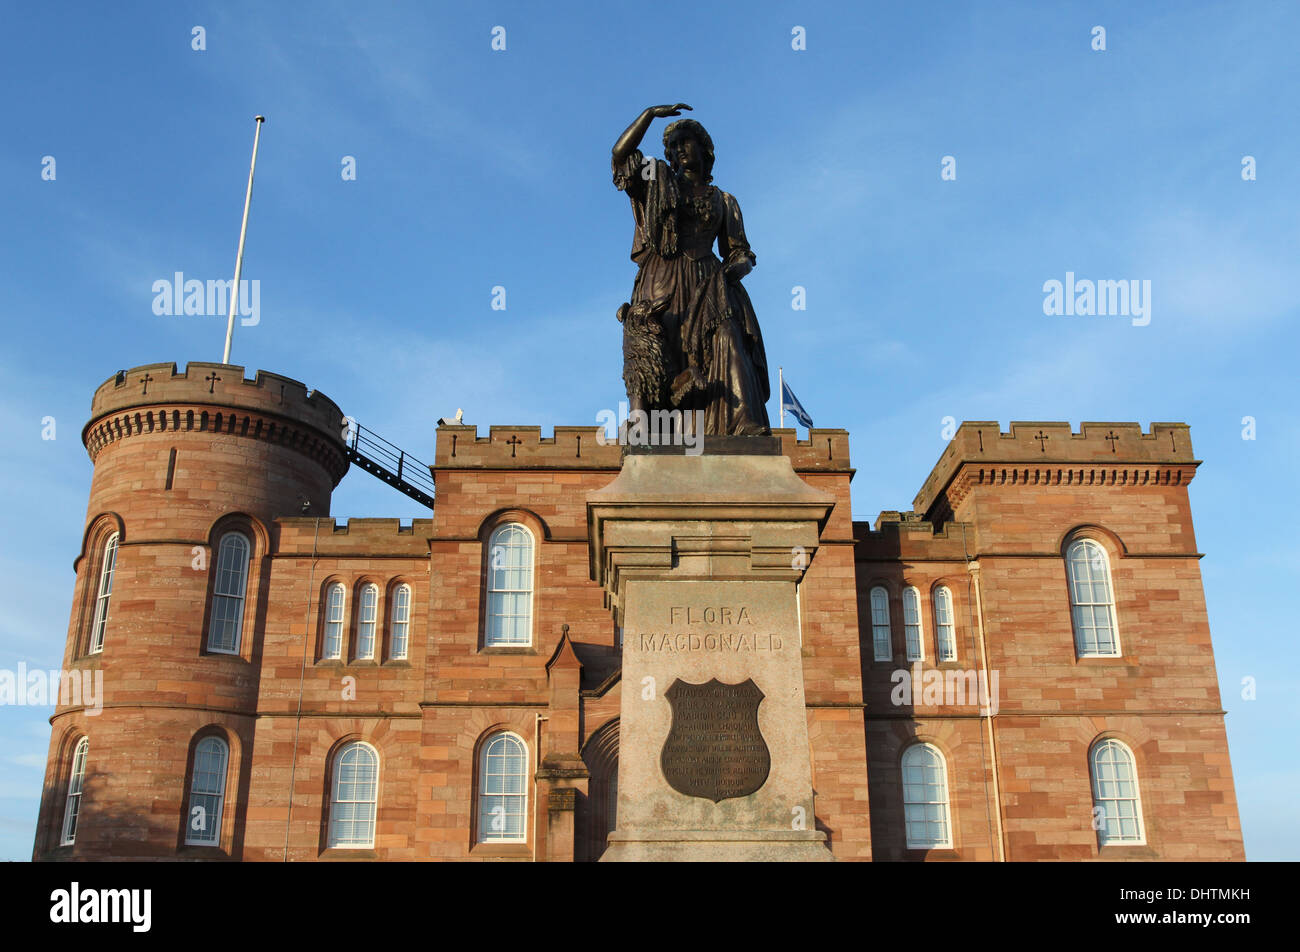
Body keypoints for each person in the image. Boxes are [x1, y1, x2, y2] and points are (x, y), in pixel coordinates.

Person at [611, 104, 771, 436]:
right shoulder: (657, 182)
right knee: (658, 350)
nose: (679, 150)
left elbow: (740, 252)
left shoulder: (724, 200)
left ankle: (742, 425)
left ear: (704, 149)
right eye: (673, 146)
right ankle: (650, 428)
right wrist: (649, 115)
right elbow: (620, 154)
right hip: (662, 278)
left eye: (686, 142)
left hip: (710, 282)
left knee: (728, 337)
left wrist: (731, 273)